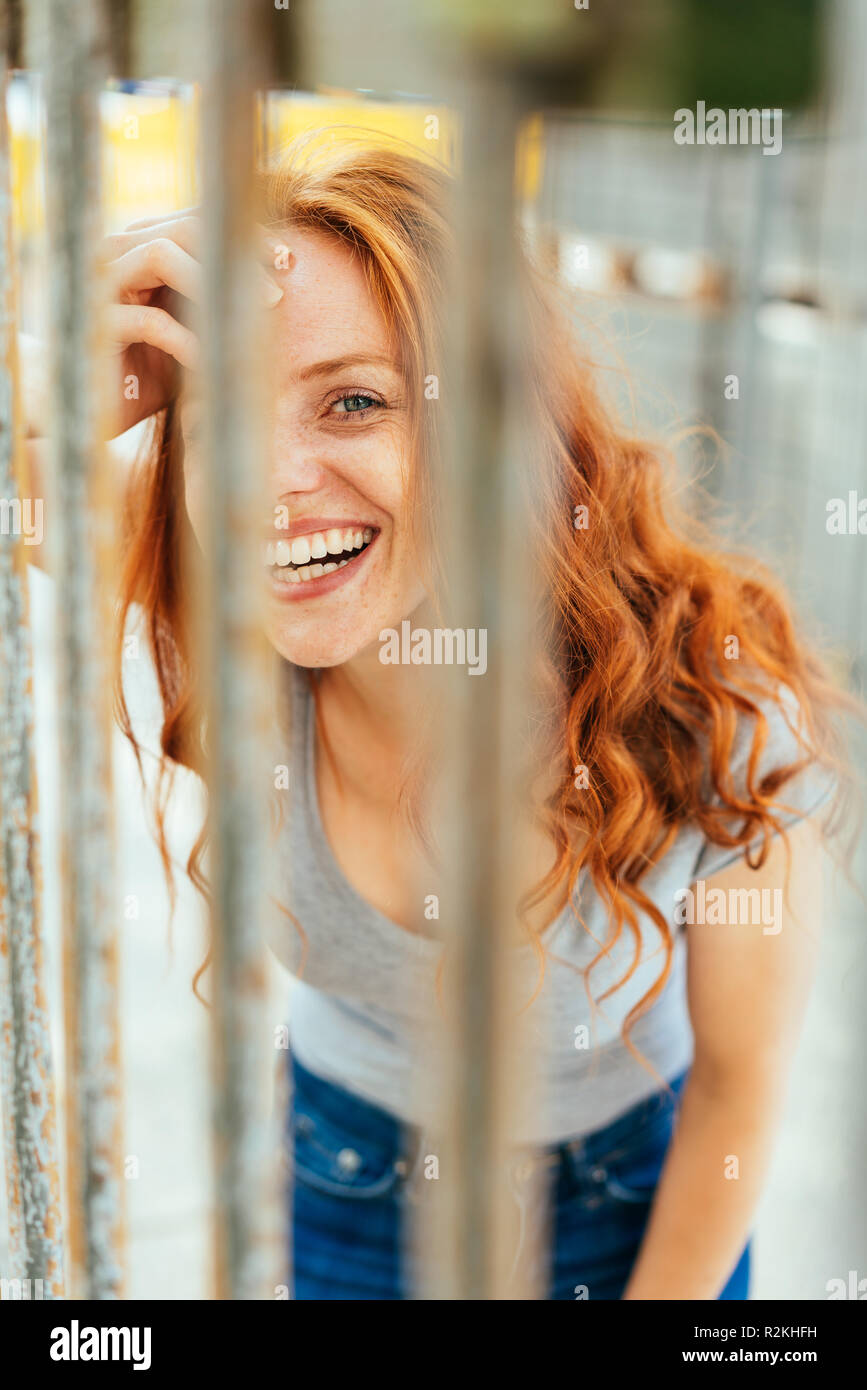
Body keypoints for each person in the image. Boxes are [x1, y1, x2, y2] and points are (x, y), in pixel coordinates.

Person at [22, 135, 856, 1300]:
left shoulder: (710, 699)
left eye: (355, 400)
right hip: (344, 1170)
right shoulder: (210, 600)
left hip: (634, 1191)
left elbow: (738, 1086)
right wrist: (44, 398)